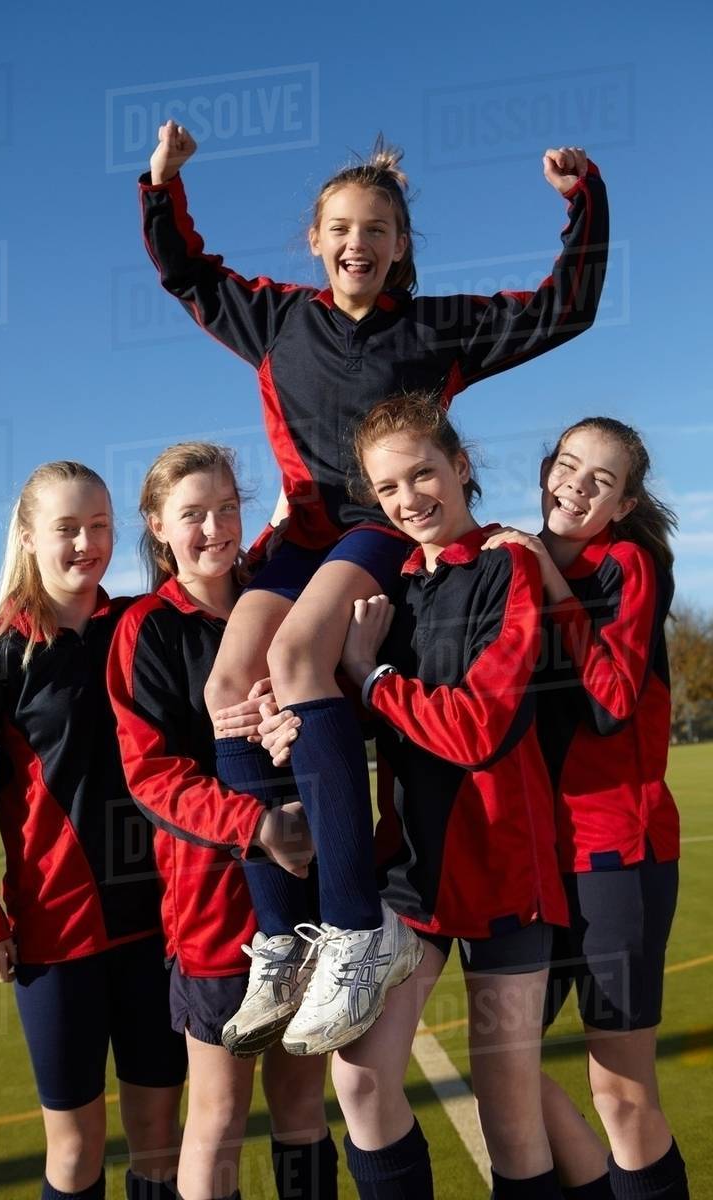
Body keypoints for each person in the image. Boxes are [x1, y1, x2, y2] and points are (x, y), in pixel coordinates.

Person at [141, 122, 608, 1056]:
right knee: (230, 686)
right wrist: (162, 185)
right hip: (298, 534)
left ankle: (354, 929)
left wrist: (583, 201)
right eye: (341, 228)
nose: (359, 242)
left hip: (370, 531)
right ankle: (280, 937)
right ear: (315, 241)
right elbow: (188, 273)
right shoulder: (276, 318)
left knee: (296, 657)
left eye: (379, 229)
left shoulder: (436, 328)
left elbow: (567, 308)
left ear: (401, 248)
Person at [263, 392, 570, 1197]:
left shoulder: (509, 564)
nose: (409, 500)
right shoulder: (387, 583)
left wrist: (375, 676)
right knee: (360, 1081)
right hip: (411, 873)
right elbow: (327, 711)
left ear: (461, 466)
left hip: (506, 868)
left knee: (509, 1112)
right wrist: (275, 721)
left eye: (423, 474)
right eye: (389, 488)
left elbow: (479, 729)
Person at [0, 461, 185, 1200]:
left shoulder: (142, 627)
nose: (86, 543)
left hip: (157, 927)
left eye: (100, 526)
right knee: (74, 1156)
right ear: (30, 537)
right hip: (56, 936)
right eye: (67, 528)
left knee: (159, 1144)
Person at [106, 442, 338, 1200]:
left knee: (305, 1106)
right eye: (192, 514)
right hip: (213, 907)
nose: (214, 527)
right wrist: (256, 824)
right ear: (158, 527)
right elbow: (152, 775)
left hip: (310, 894)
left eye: (228, 507)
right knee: (219, 1114)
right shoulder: (146, 628)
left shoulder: (276, 600)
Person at [481, 417, 689, 1199]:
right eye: (567, 466)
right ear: (545, 470)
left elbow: (608, 704)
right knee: (505, 1067)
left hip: (614, 854)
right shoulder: (505, 562)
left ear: (624, 502)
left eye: (600, 480)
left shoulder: (628, 564)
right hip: (531, 857)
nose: (575, 486)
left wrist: (551, 580)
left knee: (621, 1092)